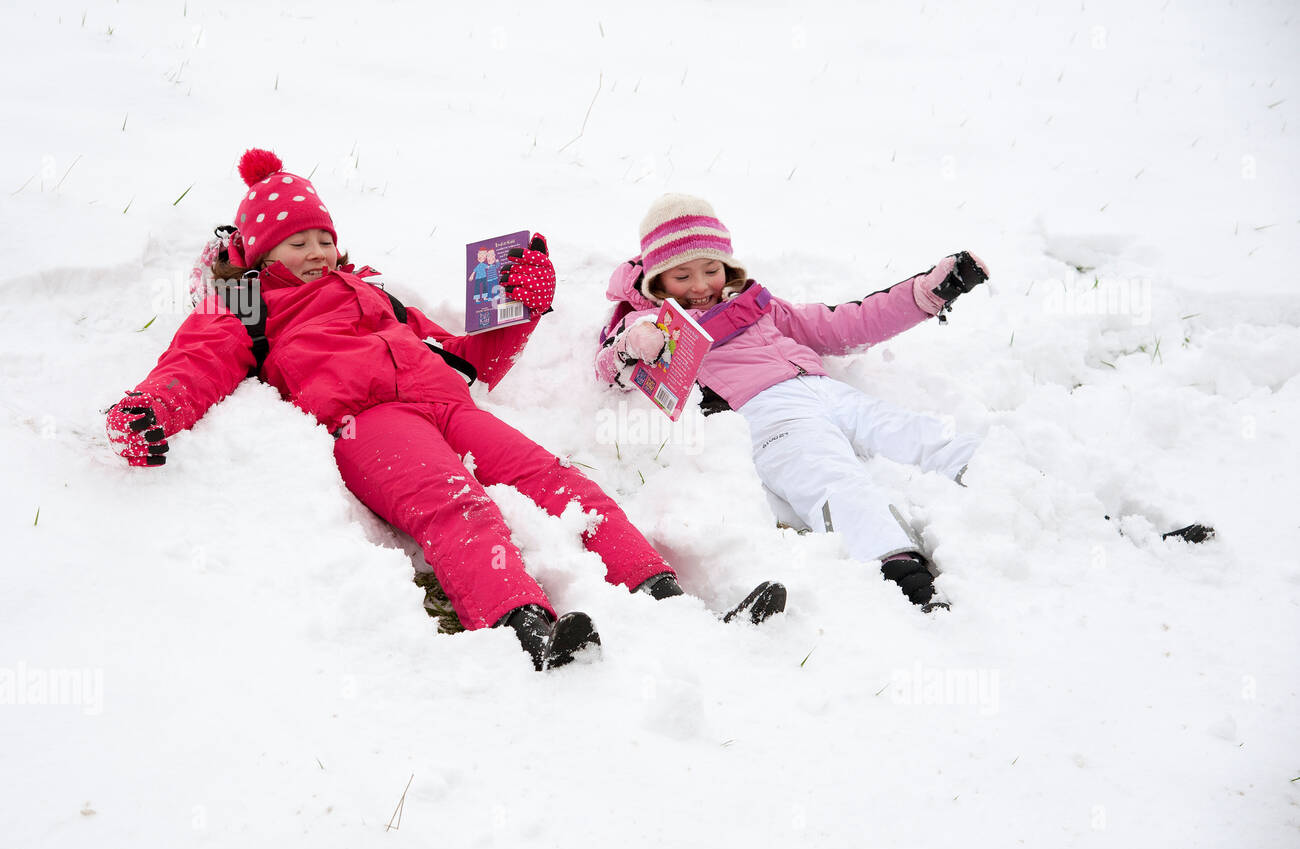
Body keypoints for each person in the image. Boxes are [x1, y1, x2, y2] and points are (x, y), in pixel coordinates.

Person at [106, 154, 785, 672]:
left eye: (321, 238)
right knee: (458, 506)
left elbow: (468, 359)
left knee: (561, 482)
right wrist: (150, 411)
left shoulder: (375, 293)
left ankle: (668, 595)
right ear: (259, 250)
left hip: (445, 401)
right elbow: (197, 360)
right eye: (295, 242)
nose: (314, 252)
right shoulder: (252, 304)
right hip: (368, 422)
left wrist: (518, 308)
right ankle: (526, 626)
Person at [595, 193, 993, 611]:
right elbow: (608, 371)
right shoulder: (650, 323)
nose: (699, 287)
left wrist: (924, 294)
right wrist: (631, 348)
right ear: (656, 281)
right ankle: (899, 568)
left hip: (824, 390)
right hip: (769, 415)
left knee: (915, 432)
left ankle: (996, 476)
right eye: (681, 276)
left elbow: (841, 324)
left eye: (711, 270)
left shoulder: (754, 304)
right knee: (831, 478)